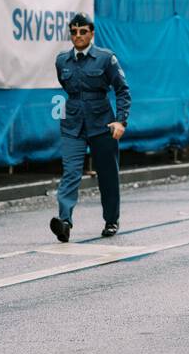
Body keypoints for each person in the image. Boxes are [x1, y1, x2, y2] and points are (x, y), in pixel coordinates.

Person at [51, 13, 131, 243]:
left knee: (107, 175)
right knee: (71, 172)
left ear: (92, 33)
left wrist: (121, 120)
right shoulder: (62, 61)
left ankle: (111, 219)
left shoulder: (106, 58)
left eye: (83, 31)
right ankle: (64, 222)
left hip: (102, 124)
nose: (78, 36)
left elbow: (122, 90)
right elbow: (67, 86)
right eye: (74, 32)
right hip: (73, 124)